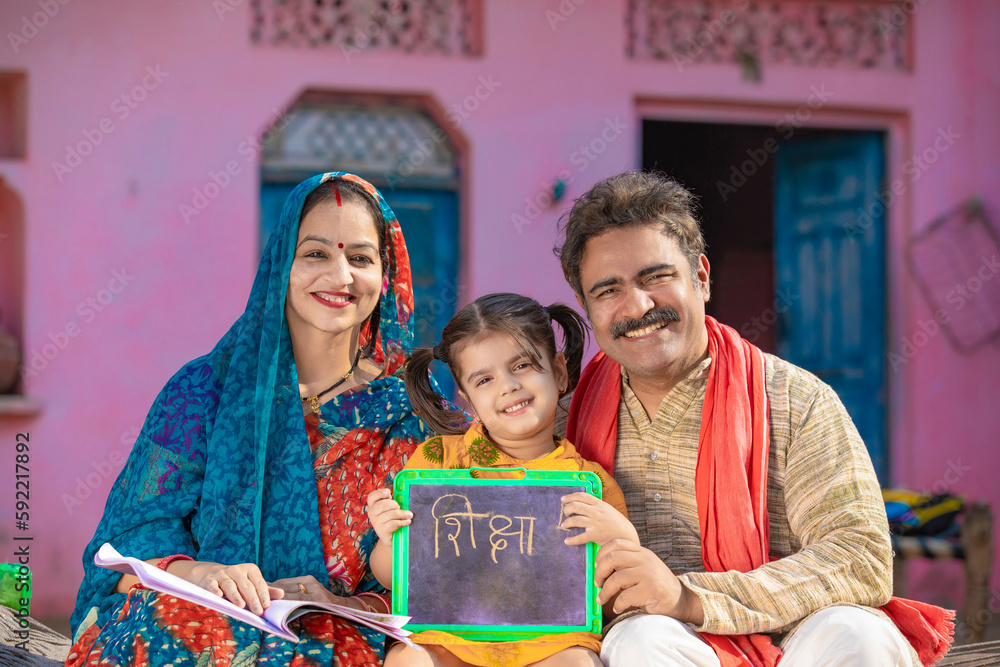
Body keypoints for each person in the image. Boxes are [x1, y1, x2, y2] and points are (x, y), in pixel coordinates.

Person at [554, 171, 955, 667]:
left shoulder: (795, 399)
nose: (638, 306)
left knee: (857, 632)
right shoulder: (560, 417)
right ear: (586, 305)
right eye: (609, 290)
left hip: (796, 643)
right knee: (641, 640)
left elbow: (860, 557)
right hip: (658, 647)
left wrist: (689, 598)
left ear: (700, 276)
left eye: (656, 277)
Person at [66, 173, 433, 666]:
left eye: (361, 258)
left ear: (385, 277)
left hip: (338, 639)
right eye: (316, 254)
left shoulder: (405, 413)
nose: (341, 276)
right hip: (193, 621)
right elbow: (125, 547)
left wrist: (341, 604)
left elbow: (438, 576)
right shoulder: (203, 392)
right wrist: (196, 573)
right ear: (282, 264)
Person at [366, 293, 635, 667]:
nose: (507, 386)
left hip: (551, 644)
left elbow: (613, 597)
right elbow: (395, 578)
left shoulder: (587, 481)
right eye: (485, 379)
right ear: (468, 399)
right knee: (406, 660)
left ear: (559, 372)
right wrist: (388, 536)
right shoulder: (437, 462)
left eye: (522, 365)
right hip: (448, 639)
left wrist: (620, 536)